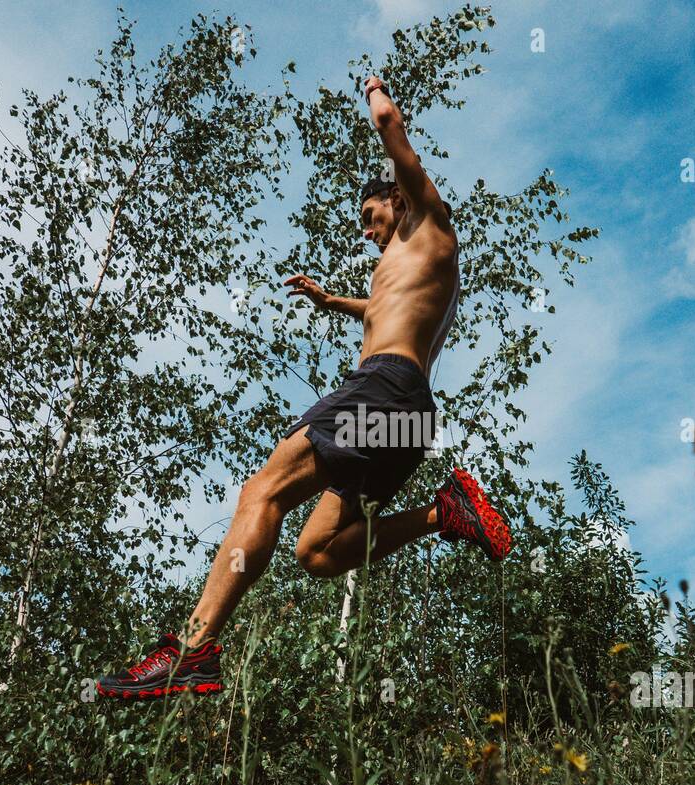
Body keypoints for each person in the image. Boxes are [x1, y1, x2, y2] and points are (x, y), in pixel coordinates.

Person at [97, 76, 511, 699]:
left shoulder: (428, 220)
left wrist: (374, 90)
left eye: (371, 217)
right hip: (410, 416)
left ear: (398, 198)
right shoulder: (414, 269)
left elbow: (391, 128)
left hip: (383, 388)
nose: (367, 232)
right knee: (316, 552)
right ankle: (442, 513)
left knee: (262, 490)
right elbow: (382, 312)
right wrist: (330, 300)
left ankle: (193, 649)